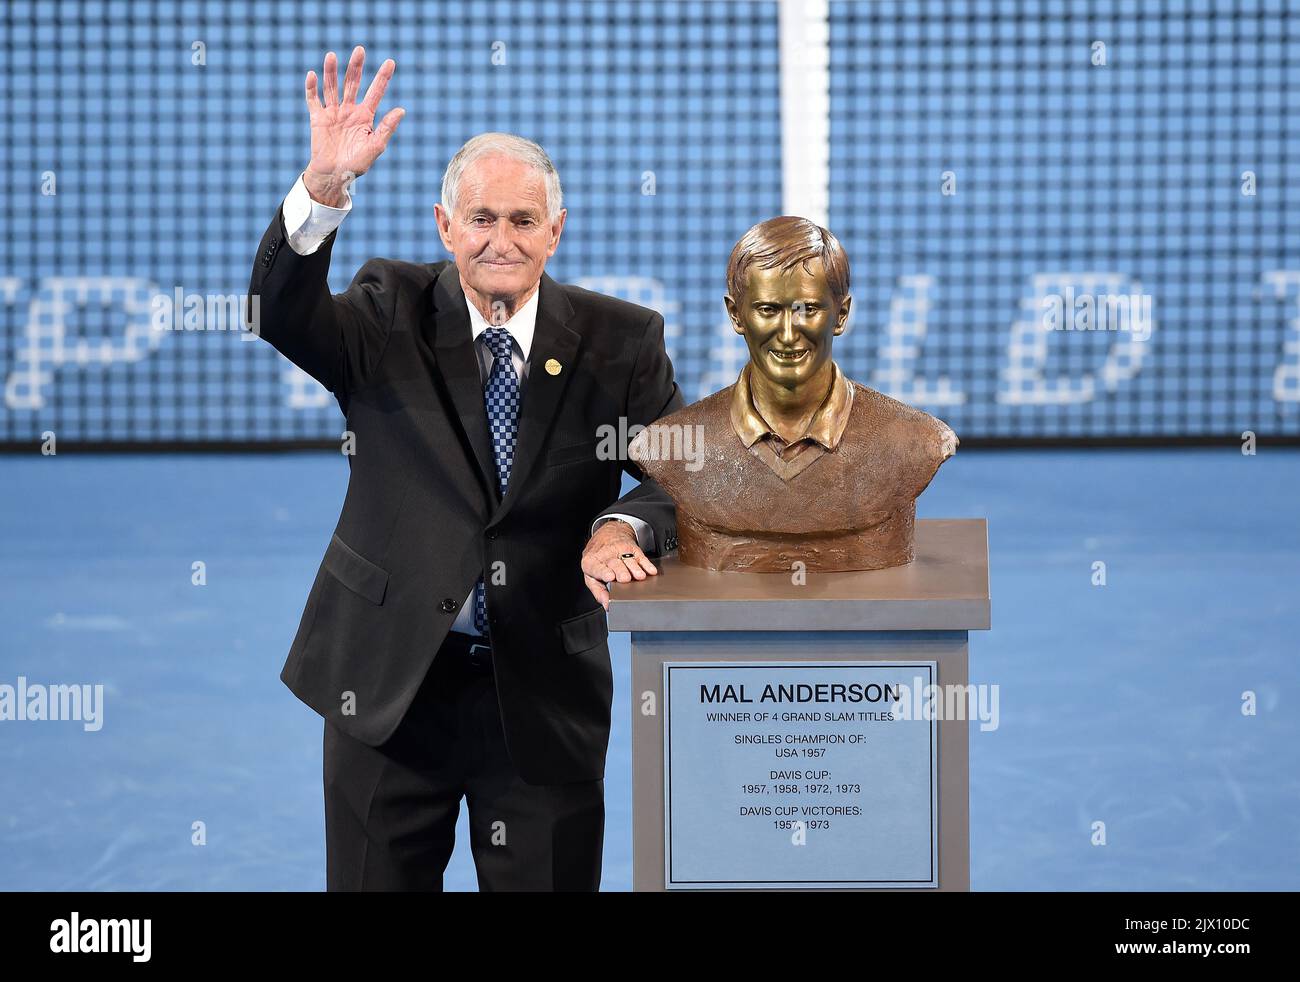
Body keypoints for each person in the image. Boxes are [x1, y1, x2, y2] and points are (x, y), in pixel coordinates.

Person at [247, 46, 683, 890]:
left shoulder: (621, 342)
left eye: (523, 220)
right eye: (480, 219)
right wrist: (325, 188)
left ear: (556, 231)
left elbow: (677, 473)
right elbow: (278, 313)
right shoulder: (386, 310)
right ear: (446, 228)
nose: (501, 240)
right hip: (387, 692)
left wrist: (619, 524)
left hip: (539, 697)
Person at [628, 215, 956, 572]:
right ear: (736, 315)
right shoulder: (667, 445)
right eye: (768, 310)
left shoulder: (918, 439)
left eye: (808, 310)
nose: (787, 333)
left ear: (841, 314)